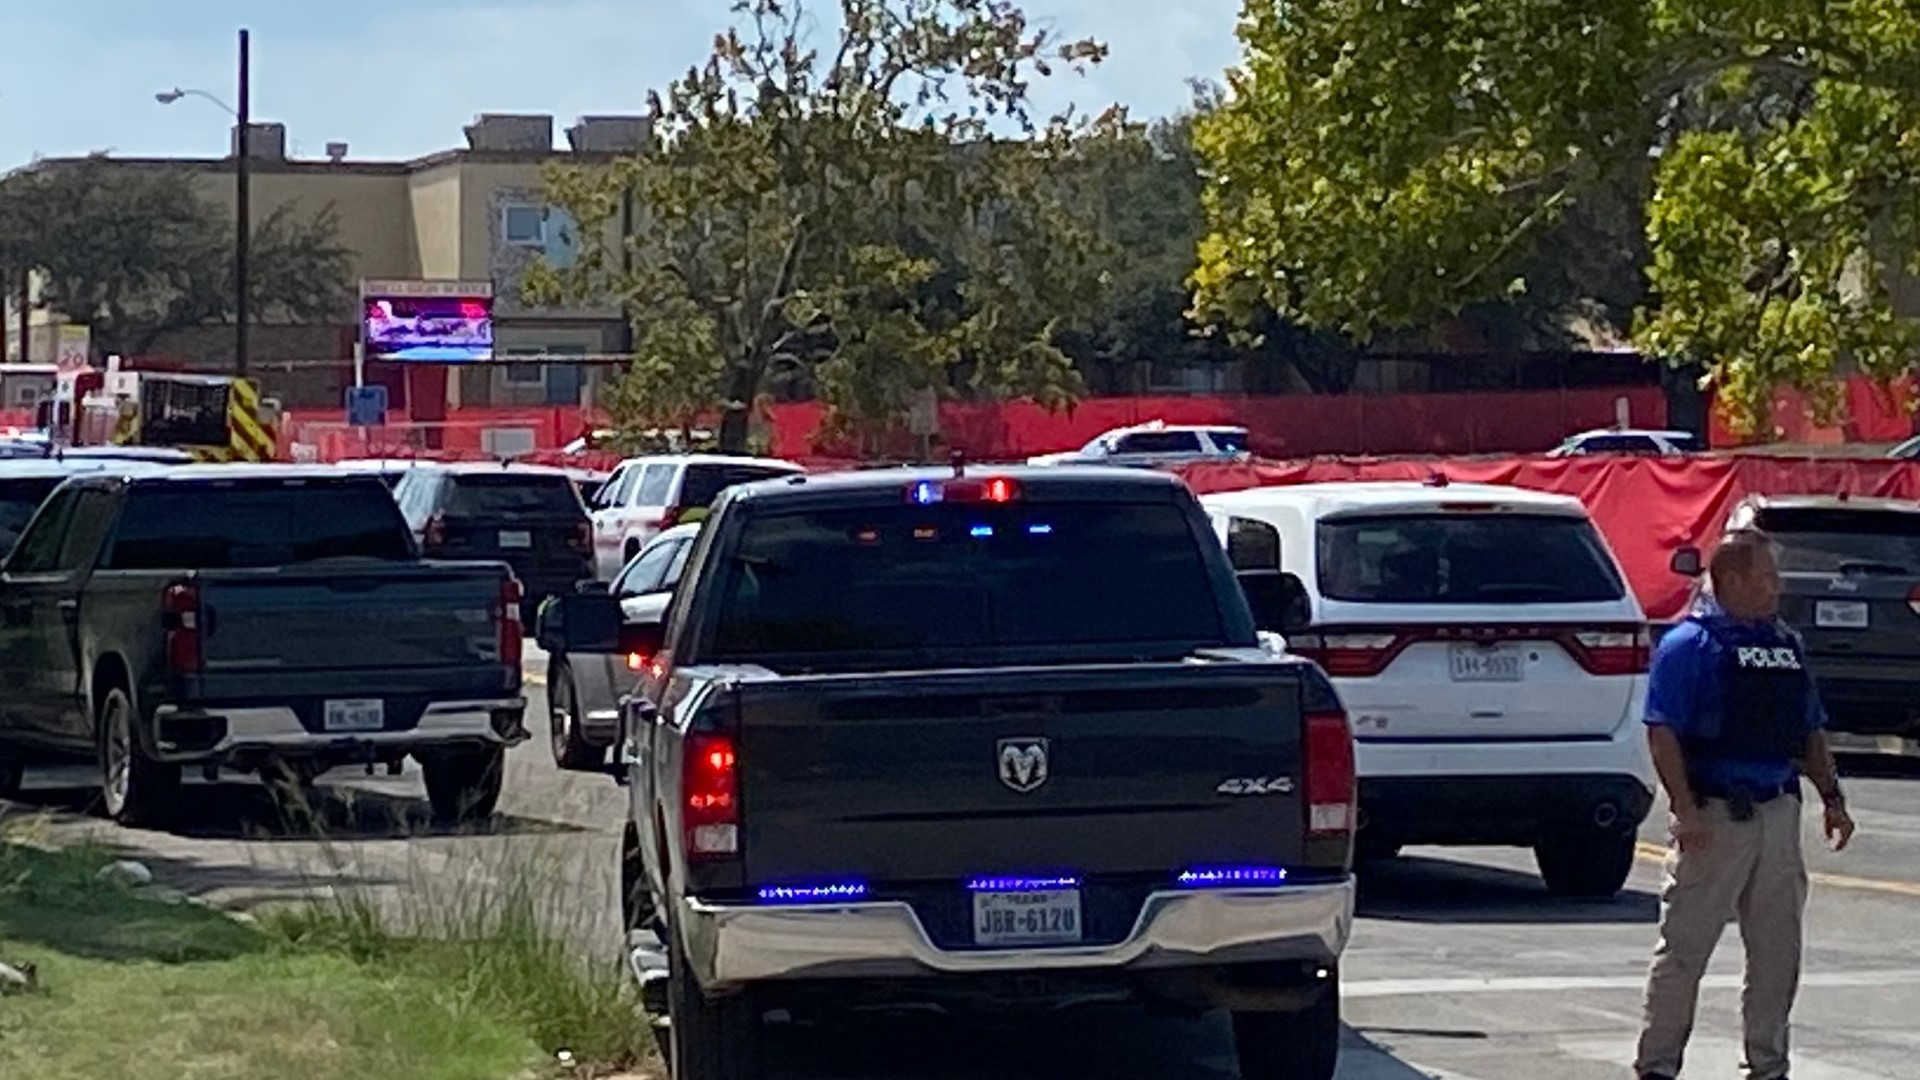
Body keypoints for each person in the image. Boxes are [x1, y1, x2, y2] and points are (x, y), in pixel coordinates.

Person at [1634, 529, 1856, 1080]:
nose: (1775, 588)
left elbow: (1809, 729)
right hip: (1714, 816)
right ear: (1730, 580)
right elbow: (1662, 731)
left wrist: (1832, 797)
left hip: (1777, 810)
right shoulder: (1689, 645)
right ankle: (1658, 1066)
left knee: (1778, 956)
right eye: (1765, 577)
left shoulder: (1784, 646)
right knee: (1684, 952)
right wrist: (1684, 809)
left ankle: (1768, 1066)